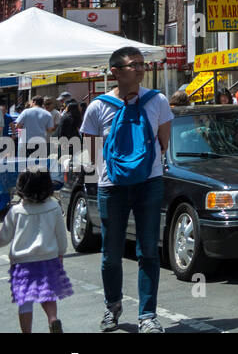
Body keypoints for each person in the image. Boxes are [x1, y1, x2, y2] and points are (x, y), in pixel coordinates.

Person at [79, 46, 174, 334]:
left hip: (149, 182)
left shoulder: (158, 100)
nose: (141, 69)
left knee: (149, 250)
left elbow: (164, 143)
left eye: (142, 64)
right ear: (116, 72)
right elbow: (91, 152)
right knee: (111, 252)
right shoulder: (98, 106)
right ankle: (112, 306)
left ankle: (148, 315)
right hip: (112, 186)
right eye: (134, 65)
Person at [0, 170, 72, 333]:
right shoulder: (54, 207)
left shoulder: (16, 211)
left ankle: (27, 332)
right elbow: (60, 234)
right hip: (49, 259)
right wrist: (61, 252)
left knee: (25, 301)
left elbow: (4, 237)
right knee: (48, 294)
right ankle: (53, 319)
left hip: (22, 263)